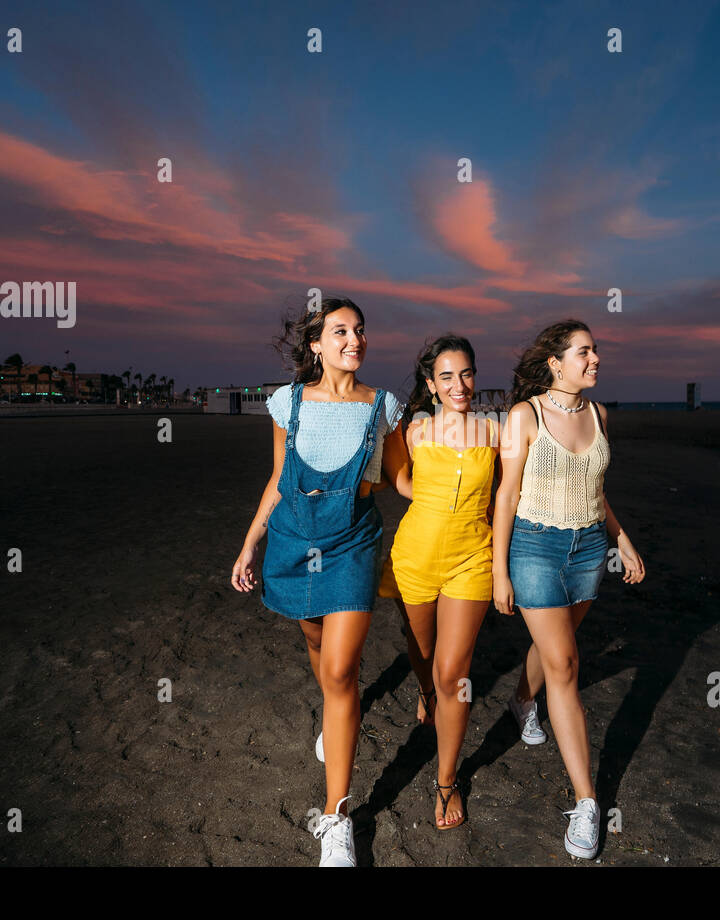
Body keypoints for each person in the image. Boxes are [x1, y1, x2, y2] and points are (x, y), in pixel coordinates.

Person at [231, 297, 404, 867]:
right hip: (293, 542)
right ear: (316, 345)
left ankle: (336, 818)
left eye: (359, 331)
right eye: (340, 332)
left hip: (353, 544)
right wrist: (249, 542)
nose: (354, 340)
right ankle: (336, 717)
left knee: (340, 669)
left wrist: (464, 464)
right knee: (314, 643)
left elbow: (397, 478)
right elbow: (279, 478)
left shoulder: (383, 407)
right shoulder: (289, 403)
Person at [491, 319, 646, 859]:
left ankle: (520, 700)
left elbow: (595, 491)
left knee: (551, 649)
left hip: (587, 555)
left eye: (597, 350)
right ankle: (586, 801)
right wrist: (499, 571)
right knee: (566, 664)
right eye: (585, 352)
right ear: (556, 363)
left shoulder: (600, 416)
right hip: (534, 547)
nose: (596, 359)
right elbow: (506, 495)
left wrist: (621, 540)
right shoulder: (524, 415)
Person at [377, 335, 499, 829]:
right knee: (422, 653)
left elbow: (503, 500)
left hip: (473, 559)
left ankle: (446, 781)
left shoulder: (495, 432)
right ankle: (424, 694)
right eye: (446, 376)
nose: (459, 384)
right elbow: (400, 481)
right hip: (416, 557)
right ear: (430, 384)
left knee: (454, 674)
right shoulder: (413, 431)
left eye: (466, 373)